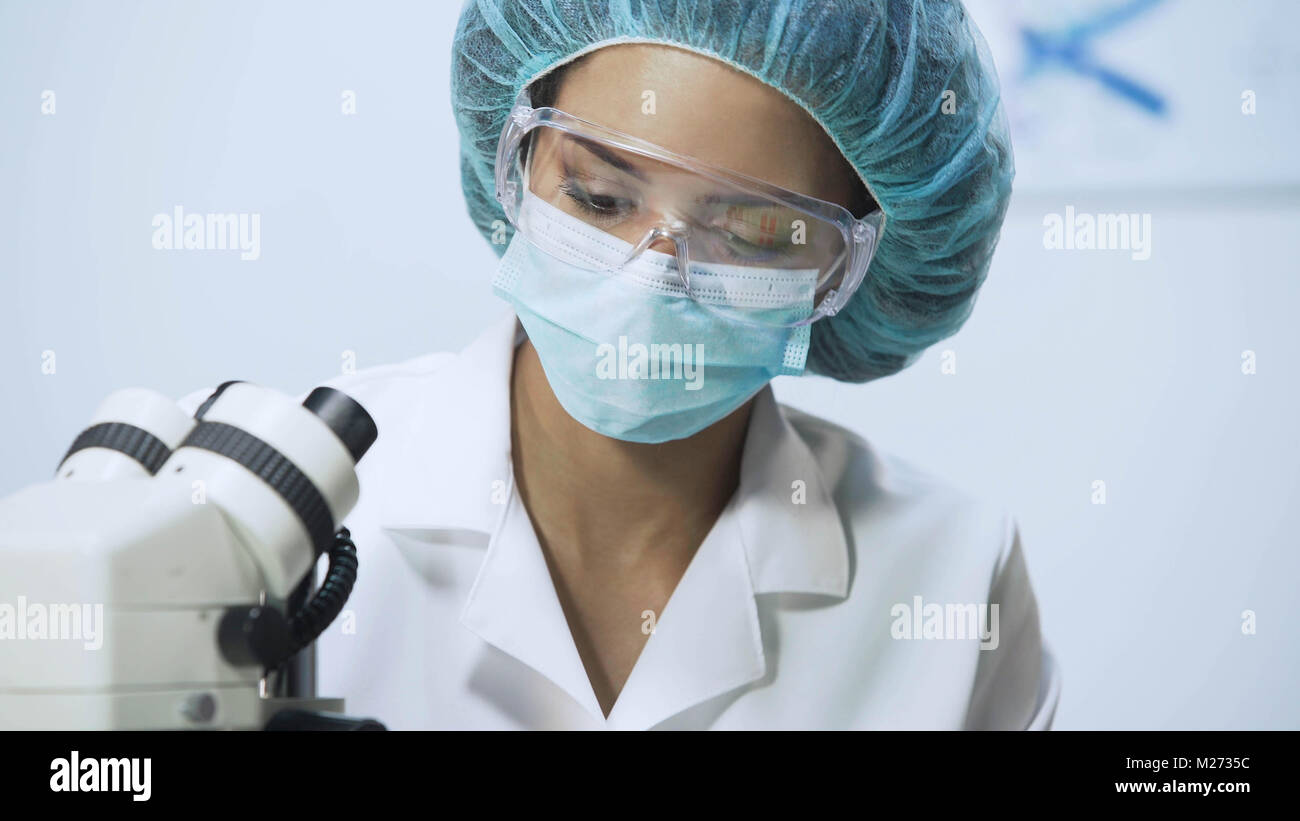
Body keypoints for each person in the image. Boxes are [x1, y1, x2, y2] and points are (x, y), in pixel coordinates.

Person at [182, 0, 1060, 729]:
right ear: (517, 162)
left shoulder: (951, 571)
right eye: (600, 197)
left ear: (847, 272)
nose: (650, 275)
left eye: (754, 234)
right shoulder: (219, 499)